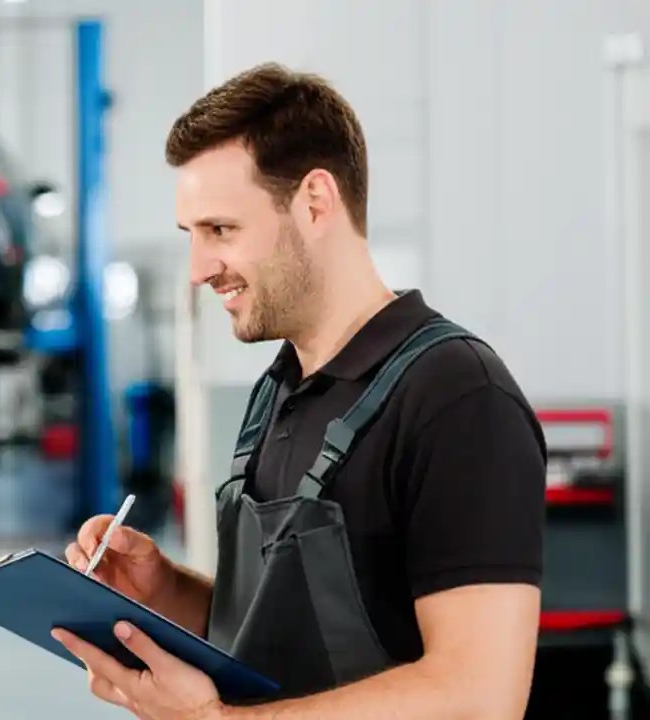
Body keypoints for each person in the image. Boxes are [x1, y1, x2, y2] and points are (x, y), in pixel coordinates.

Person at [53, 63, 546, 719]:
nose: (199, 270)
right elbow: (284, 640)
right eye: (191, 235)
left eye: (220, 230)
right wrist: (165, 590)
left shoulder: (458, 399)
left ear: (316, 202)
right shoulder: (277, 391)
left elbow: (480, 697)